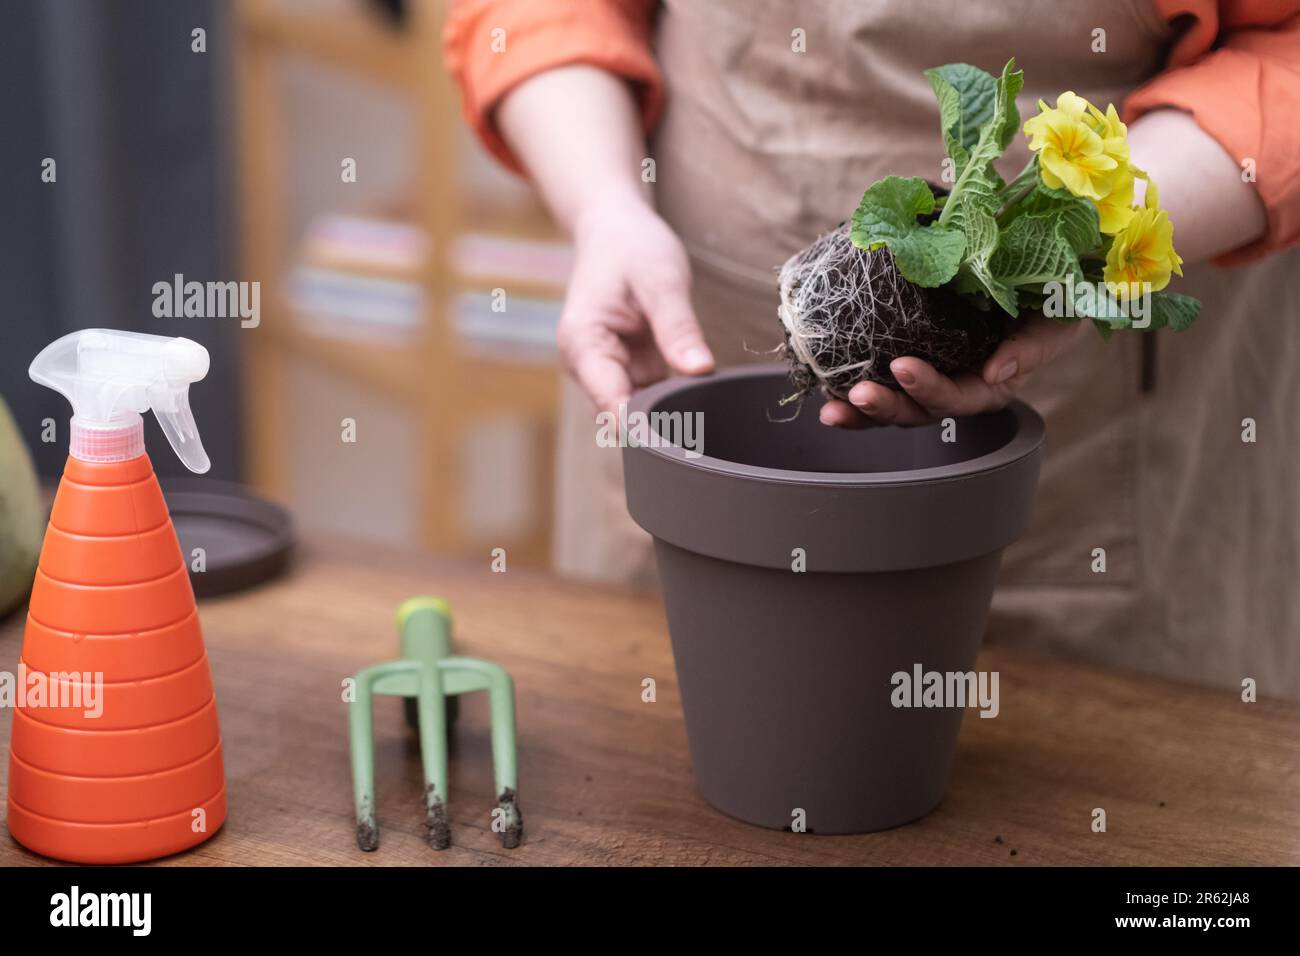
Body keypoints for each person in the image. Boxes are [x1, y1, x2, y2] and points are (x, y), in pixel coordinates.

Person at [445, 1, 1300, 696]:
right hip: (685, 329)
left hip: (1102, 427)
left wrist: (1079, 257)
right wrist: (605, 208)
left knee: (1092, 794)